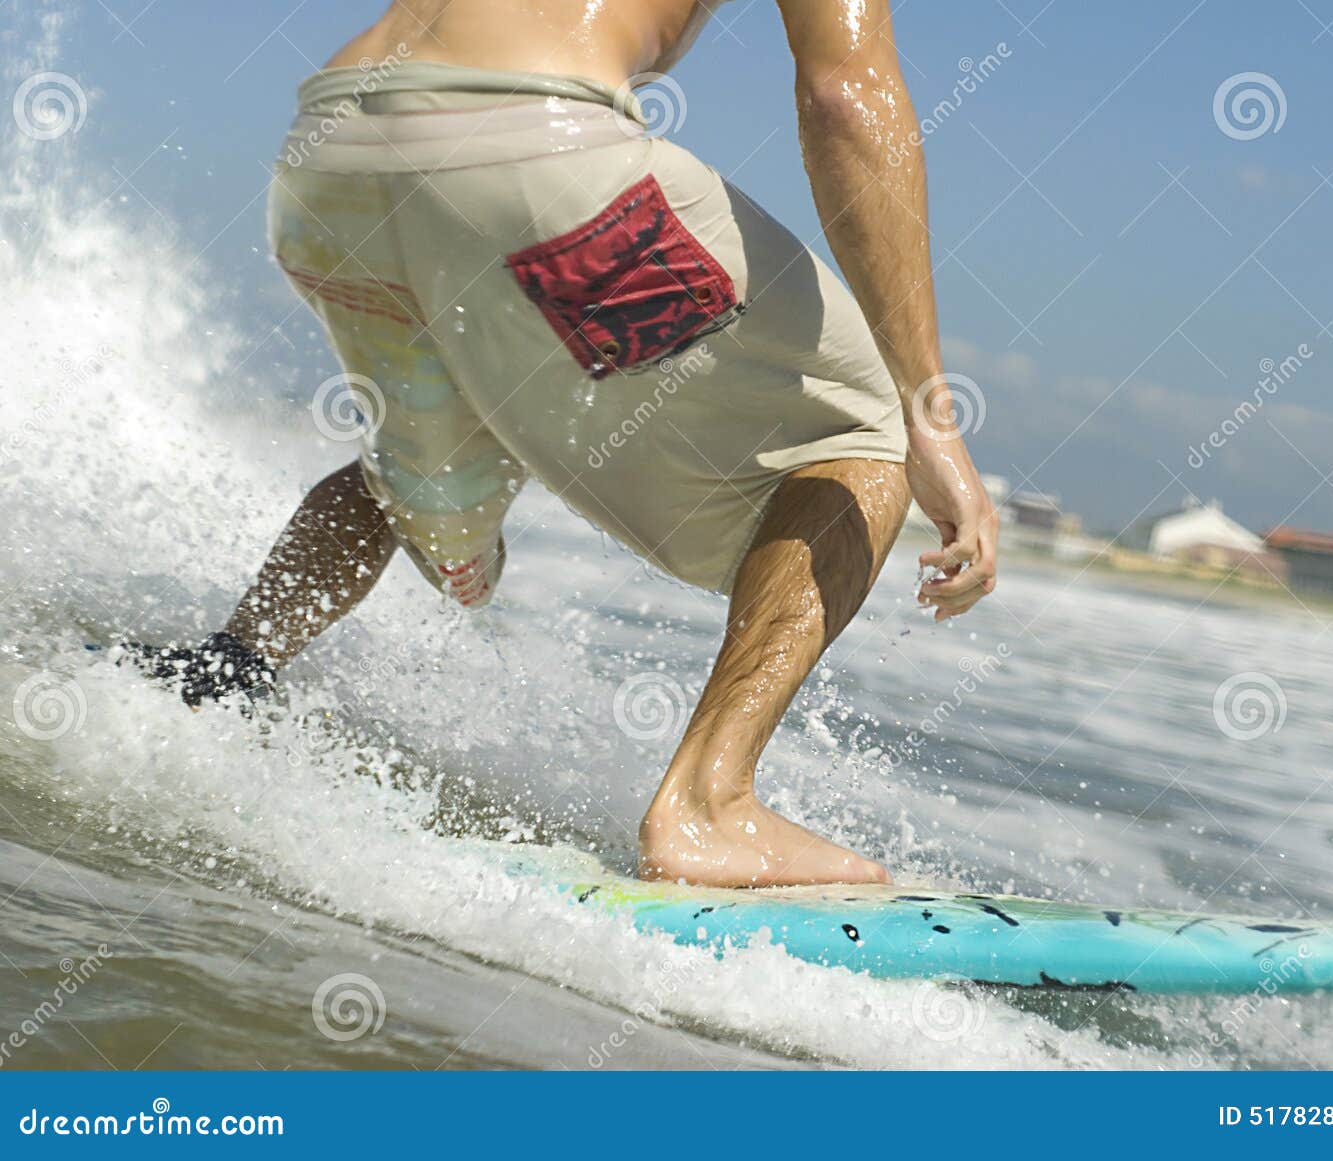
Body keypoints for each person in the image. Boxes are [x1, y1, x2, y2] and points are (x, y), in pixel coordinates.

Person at [132, 0, 998, 888]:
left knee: (443, 511)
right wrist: (930, 410)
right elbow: (846, 97)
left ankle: (214, 676)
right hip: (534, 154)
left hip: (333, 159)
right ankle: (706, 807)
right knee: (863, 429)